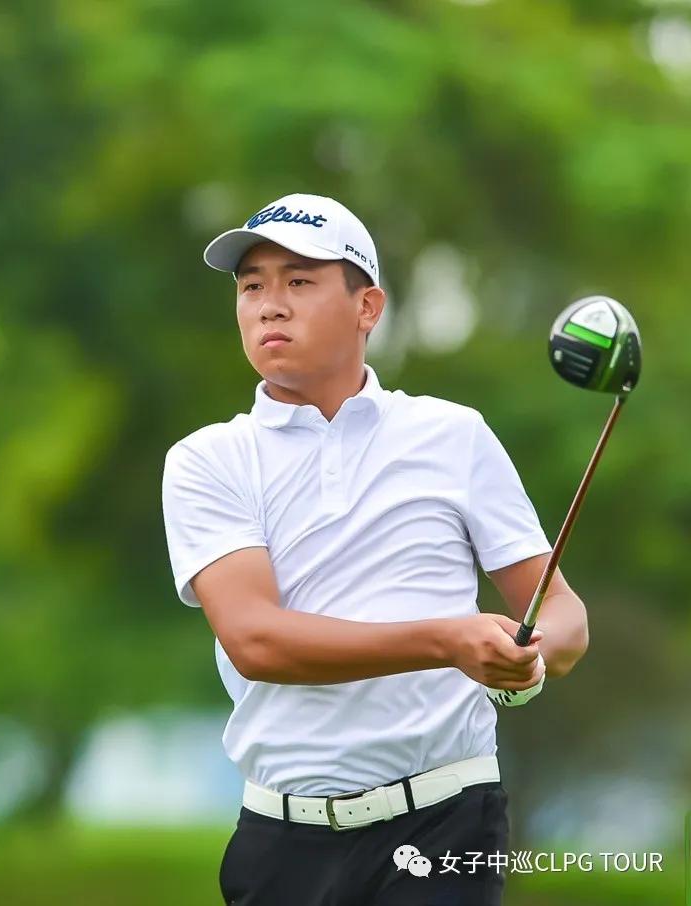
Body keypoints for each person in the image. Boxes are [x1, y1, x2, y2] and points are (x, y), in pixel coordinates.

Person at [160, 193, 589, 905]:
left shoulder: (453, 435)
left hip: (447, 823)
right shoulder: (208, 459)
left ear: (367, 308)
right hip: (282, 838)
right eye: (251, 285)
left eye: (298, 282)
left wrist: (528, 656)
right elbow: (256, 641)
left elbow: (562, 614)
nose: (269, 304)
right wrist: (448, 641)